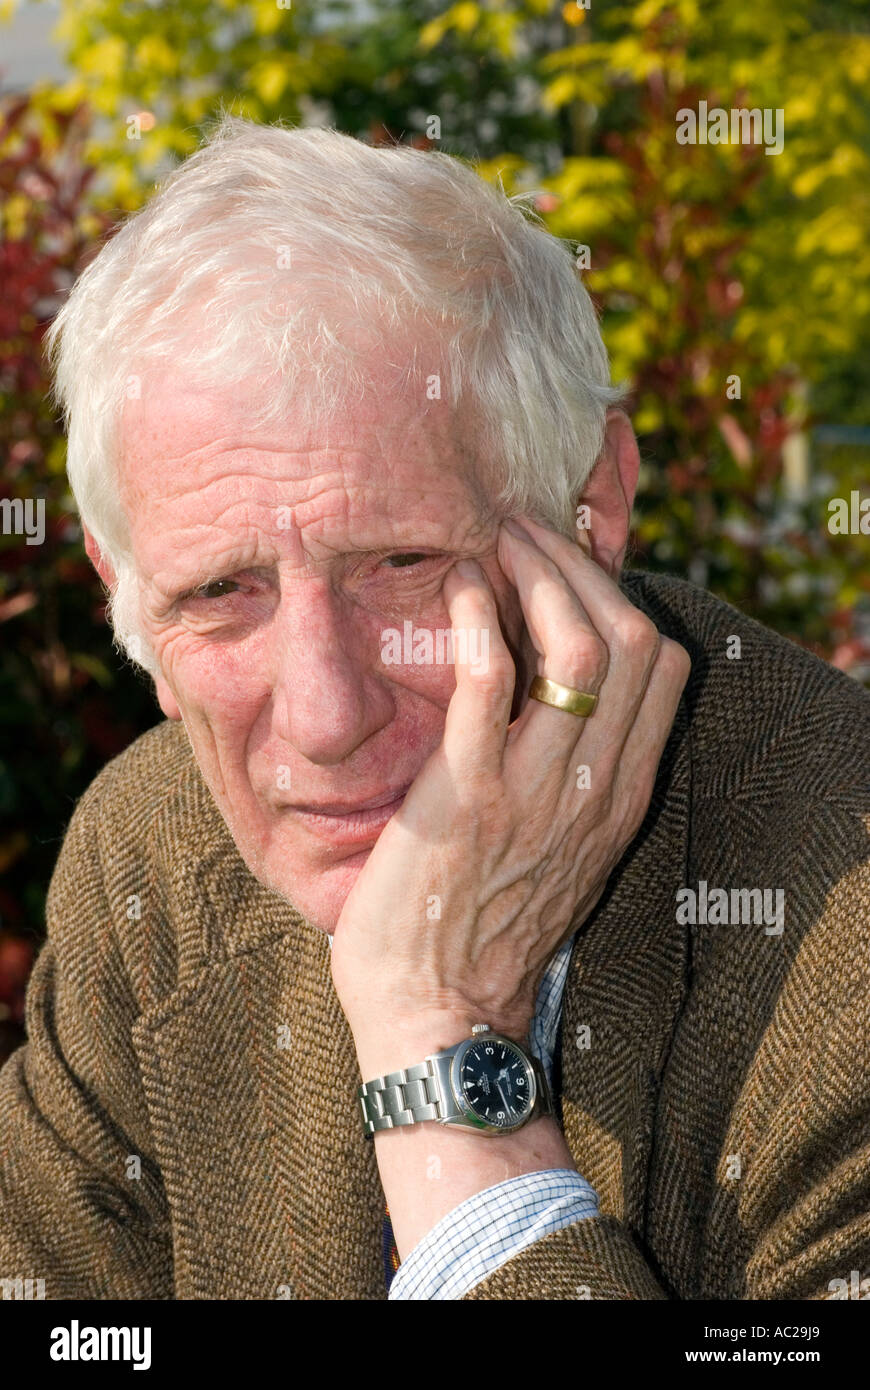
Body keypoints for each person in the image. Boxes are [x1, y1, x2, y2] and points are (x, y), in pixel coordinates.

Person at [0, 116, 867, 1301]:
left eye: (402, 562)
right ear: (126, 595)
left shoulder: (845, 914)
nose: (324, 715)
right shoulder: (145, 859)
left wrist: (441, 1051)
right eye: (219, 591)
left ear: (590, 511)